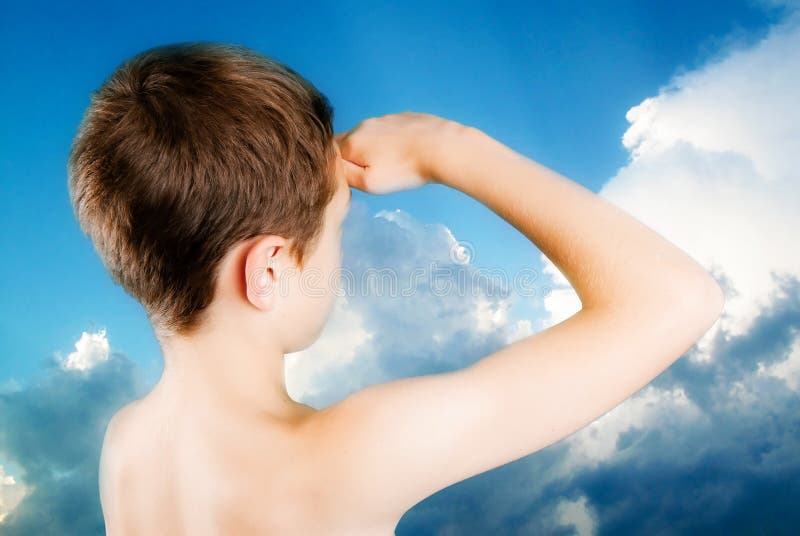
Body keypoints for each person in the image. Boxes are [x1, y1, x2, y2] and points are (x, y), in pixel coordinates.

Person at [68, 42, 724, 535]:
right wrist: (453, 147)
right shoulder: (348, 455)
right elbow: (676, 297)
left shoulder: (126, 448)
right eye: (336, 226)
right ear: (269, 270)